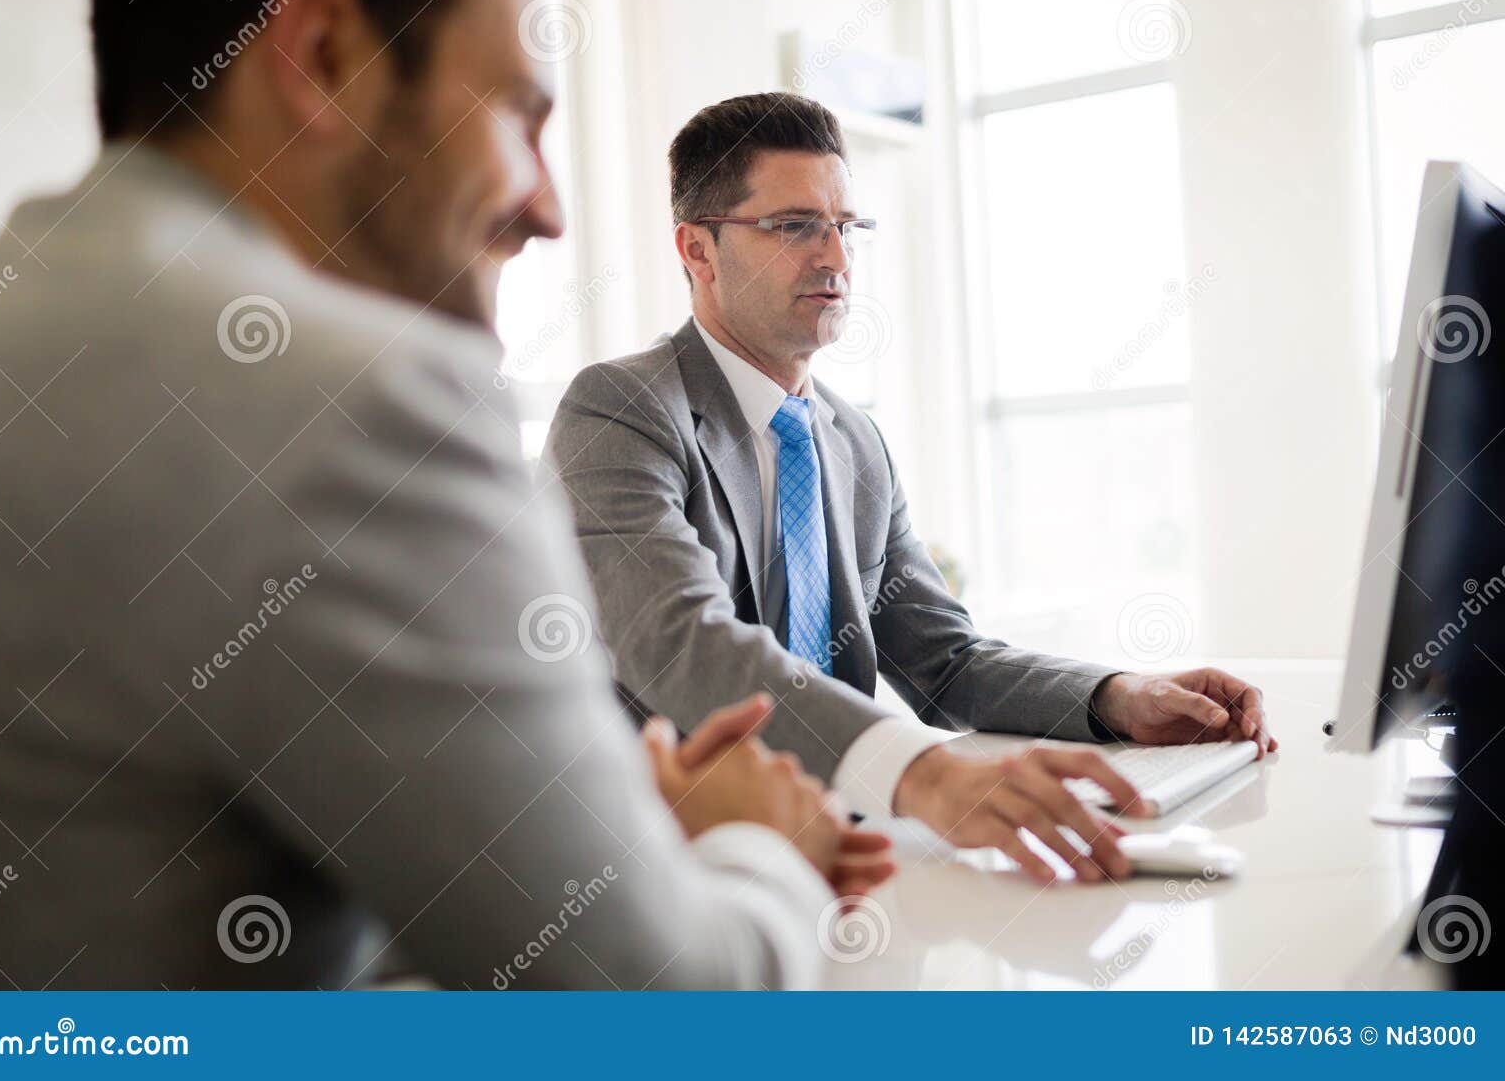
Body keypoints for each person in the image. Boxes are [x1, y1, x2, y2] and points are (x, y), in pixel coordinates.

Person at [0, 0, 890, 991]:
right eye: (519, 116)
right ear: (321, 54)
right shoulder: (364, 403)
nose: (548, 208)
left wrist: (582, 830)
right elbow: (655, 1008)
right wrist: (766, 845)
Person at [545, 91, 1278, 885]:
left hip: (843, 854)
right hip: (656, 867)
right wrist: (924, 774)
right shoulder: (620, 409)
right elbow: (680, 640)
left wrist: (1119, 697)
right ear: (698, 249)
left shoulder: (855, 442)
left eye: (846, 225)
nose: (835, 257)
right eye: (794, 226)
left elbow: (946, 660)